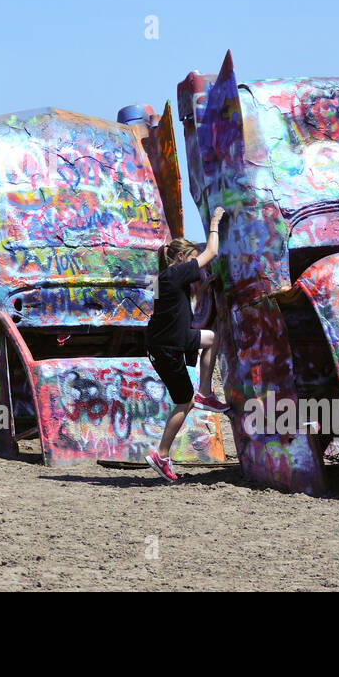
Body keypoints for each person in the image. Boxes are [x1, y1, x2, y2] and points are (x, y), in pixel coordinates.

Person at [144, 206, 226, 483]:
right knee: (185, 400)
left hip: (163, 343)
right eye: (191, 259)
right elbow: (211, 253)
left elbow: (174, 310)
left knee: (185, 397)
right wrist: (214, 222)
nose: (195, 265)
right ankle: (161, 454)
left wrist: (200, 293)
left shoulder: (160, 280)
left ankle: (163, 453)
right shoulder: (175, 273)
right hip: (168, 346)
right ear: (180, 258)